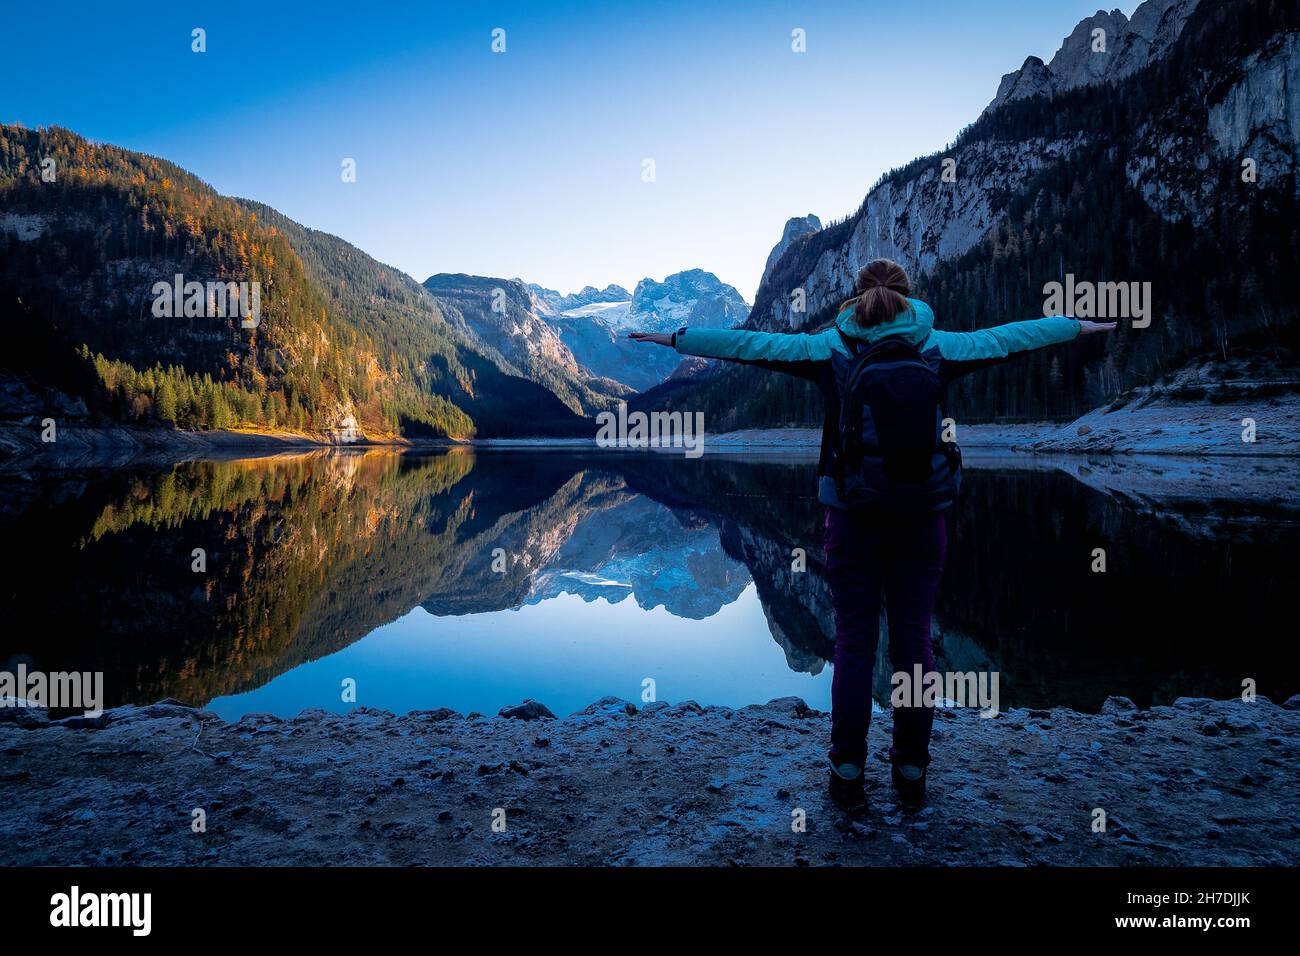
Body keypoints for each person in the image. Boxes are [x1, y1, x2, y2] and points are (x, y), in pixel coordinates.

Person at [631, 258, 1114, 812]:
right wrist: (1075, 326)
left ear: (854, 299)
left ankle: (847, 772)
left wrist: (677, 338)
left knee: (854, 644)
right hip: (922, 516)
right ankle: (911, 772)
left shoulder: (829, 349)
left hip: (852, 517)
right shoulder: (937, 347)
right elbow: (1008, 339)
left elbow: (751, 345)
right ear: (908, 299)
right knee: (914, 645)